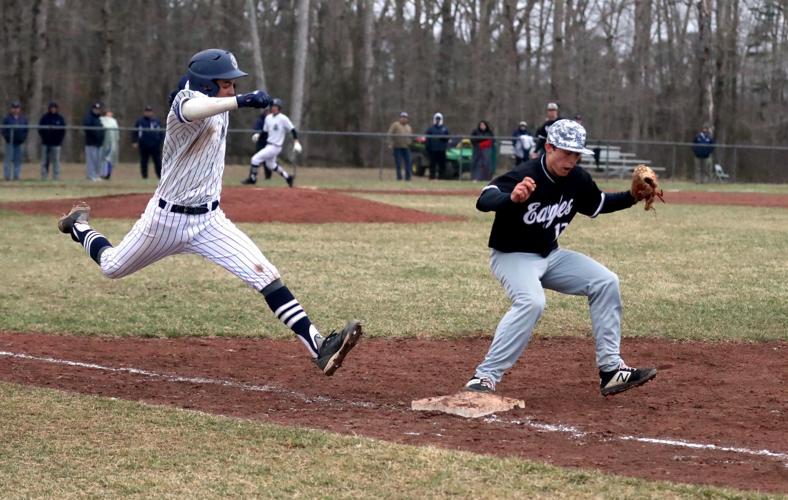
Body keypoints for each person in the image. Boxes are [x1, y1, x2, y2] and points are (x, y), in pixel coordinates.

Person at [57, 48, 361, 376]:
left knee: (265, 274)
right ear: (205, 84)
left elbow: (217, 104)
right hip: (165, 220)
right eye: (226, 83)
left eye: (234, 84)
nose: (232, 88)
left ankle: (318, 346)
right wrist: (241, 100)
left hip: (210, 221)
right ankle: (80, 227)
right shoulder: (185, 105)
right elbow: (193, 107)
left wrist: (235, 100)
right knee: (112, 267)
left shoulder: (218, 105)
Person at [464, 119, 657, 396]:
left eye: (576, 154)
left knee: (606, 281)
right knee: (532, 301)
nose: (571, 160)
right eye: (565, 152)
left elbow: (598, 204)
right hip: (512, 256)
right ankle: (484, 376)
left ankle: (612, 371)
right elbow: (484, 199)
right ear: (549, 147)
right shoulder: (527, 173)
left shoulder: (577, 179)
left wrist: (632, 196)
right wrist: (512, 199)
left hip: (549, 255)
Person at [241, 98, 300, 187]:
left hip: (275, 146)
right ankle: (288, 178)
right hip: (269, 145)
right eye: (272, 106)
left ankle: (252, 178)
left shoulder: (283, 118)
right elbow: (265, 131)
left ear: (279, 108)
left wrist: (296, 141)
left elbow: (293, 129)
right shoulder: (268, 118)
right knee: (270, 165)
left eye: (275, 106)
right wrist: (258, 135)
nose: (273, 108)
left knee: (255, 159)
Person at [132, 105, 164, 179]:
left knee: (157, 162)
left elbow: (161, 132)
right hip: (144, 145)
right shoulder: (140, 121)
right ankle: (144, 176)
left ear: (152, 112)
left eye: (149, 112)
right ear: (144, 112)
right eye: (147, 111)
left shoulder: (156, 121)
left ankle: (160, 176)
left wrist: (160, 141)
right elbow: (134, 132)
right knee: (144, 161)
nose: (148, 113)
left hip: (155, 145)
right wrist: (134, 141)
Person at [38, 101, 66, 181]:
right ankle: (44, 176)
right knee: (44, 160)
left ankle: (56, 177)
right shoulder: (45, 118)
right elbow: (40, 129)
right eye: (52, 108)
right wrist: (44, 138)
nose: (53, 109)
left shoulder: (60, 119)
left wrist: (59, 140)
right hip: (45, 143)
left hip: (56, 144)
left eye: (54, 108)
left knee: (56, 161)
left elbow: (63, 131)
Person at [2, 101, 28, 181]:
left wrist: (22, 138)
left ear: (19, 109)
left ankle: (16, 176)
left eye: (17, 108)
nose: (15, 110)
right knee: (8, 159)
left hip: (19, 142)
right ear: (11, 109)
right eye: (14, 108)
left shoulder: (23, 119)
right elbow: (3, 130)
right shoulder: (7, 119)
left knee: (18, 160)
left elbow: (26, 130)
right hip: (10, 142)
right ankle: (7, 176)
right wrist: (7, 137)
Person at [82, 101, 105, 181]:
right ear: (92, 109)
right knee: (91, 160)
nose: (97, 110)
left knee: (98, 160)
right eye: (95, 109)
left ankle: (97, 175)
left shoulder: (99, 119)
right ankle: (90, 175)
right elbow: (87, 129)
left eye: (98, 109)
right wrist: (94, 136)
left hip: (99, 143)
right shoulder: (88, 117)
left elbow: (102, 130)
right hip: (91, 143)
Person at [387, 111, 413, 181]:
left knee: (408, 162)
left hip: (406, 147)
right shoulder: (395, 125)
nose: (404, 119)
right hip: (397, 147)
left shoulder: (408, 127)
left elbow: (410, 137)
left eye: (405, 117)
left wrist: (410, 143)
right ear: (400, 118)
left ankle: (408, 177)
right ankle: (399, 177)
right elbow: (390, 134)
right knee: (398, 163)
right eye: (402, 117)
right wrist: (390, 143)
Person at [425, 112, 449, 180]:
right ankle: (432, 177)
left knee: (442, 165)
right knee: (432, 164)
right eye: (436, 119)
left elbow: (447, 138)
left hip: (441, 150)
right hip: (433, 150)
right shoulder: (431, 129)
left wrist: (442, 138)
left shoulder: (444, 129)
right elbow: (427, 139)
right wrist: (428, 148)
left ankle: (441, 177)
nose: (438, 120)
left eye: (439, 119)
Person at [99, 109, 120, 180]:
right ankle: (102, 173)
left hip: (112, 143)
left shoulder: (114, 121)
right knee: (103, 158)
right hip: (104, 143)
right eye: (109, 112)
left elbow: (117, 133)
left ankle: (108, 174)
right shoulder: (102, 120)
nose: (110, 114)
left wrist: (116, 140)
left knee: (109, 159)